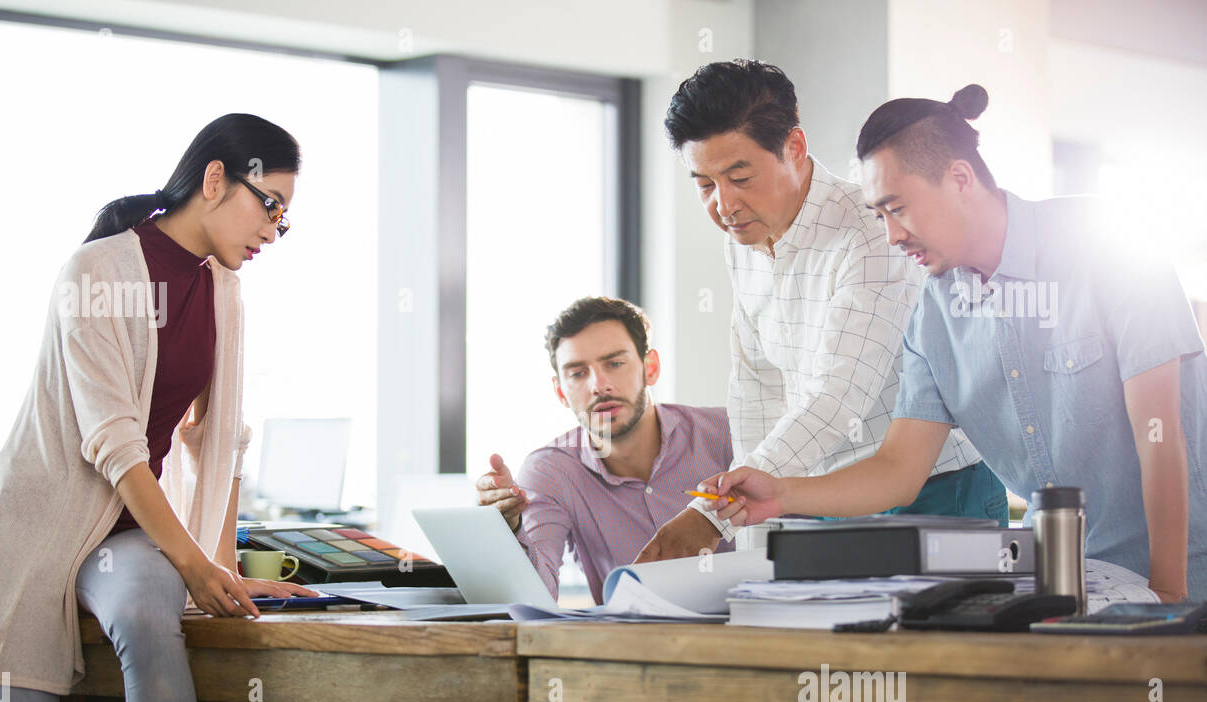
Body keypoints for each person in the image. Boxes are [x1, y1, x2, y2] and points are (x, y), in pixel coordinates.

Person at [0, 113, 320, 702]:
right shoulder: (95, 273)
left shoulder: (225, 292)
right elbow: (117, 447)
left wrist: (223, 568)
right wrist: (193, 564)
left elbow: (220, 439)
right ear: (216, 178)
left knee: (152, 613)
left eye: (288, 216)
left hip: (125, 538)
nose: (276, 231)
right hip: (32, 534)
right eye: (271, 205)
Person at [697, 84, 1207, 602]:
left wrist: (1167, 596)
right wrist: (781, 493)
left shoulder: (1108, 244)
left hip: (1185, 567)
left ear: (960, 178)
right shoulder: (934, 312)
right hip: (1069, 574)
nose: (892, 236)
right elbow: (898, 470)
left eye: (897, 208)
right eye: (878, 215)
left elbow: (1160, 437)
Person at [637, 60, 1006, 563]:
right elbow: (756, 387)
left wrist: (712, 513)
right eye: (704, 185)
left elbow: (838, 396)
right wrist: (749, 545)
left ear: (794, 148)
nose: (724, 204)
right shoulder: (743, 240)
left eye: (739, 176)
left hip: (935, 492)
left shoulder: (873, 230)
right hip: (819, 501)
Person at [476, 296, 734, 603]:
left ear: (649, 368)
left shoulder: (727, 433)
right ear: (560, 391)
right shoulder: (551, 472)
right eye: (577, 373)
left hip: (756, 636)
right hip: (631, 647)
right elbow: (535, 598)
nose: (599, 385)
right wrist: (507, 532)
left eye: (615, 363)